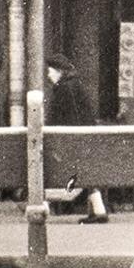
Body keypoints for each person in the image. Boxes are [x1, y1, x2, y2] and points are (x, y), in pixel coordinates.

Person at [40, 58, 112, 224]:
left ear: (59, 71)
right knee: (83, 172)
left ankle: (44, 207)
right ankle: (99, 210)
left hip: (73, 139)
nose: (48, 75)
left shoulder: (64, 88)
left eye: (50, 71)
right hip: (83, 137)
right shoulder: (74, 85)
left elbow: (63, 116)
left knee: (52, 168)